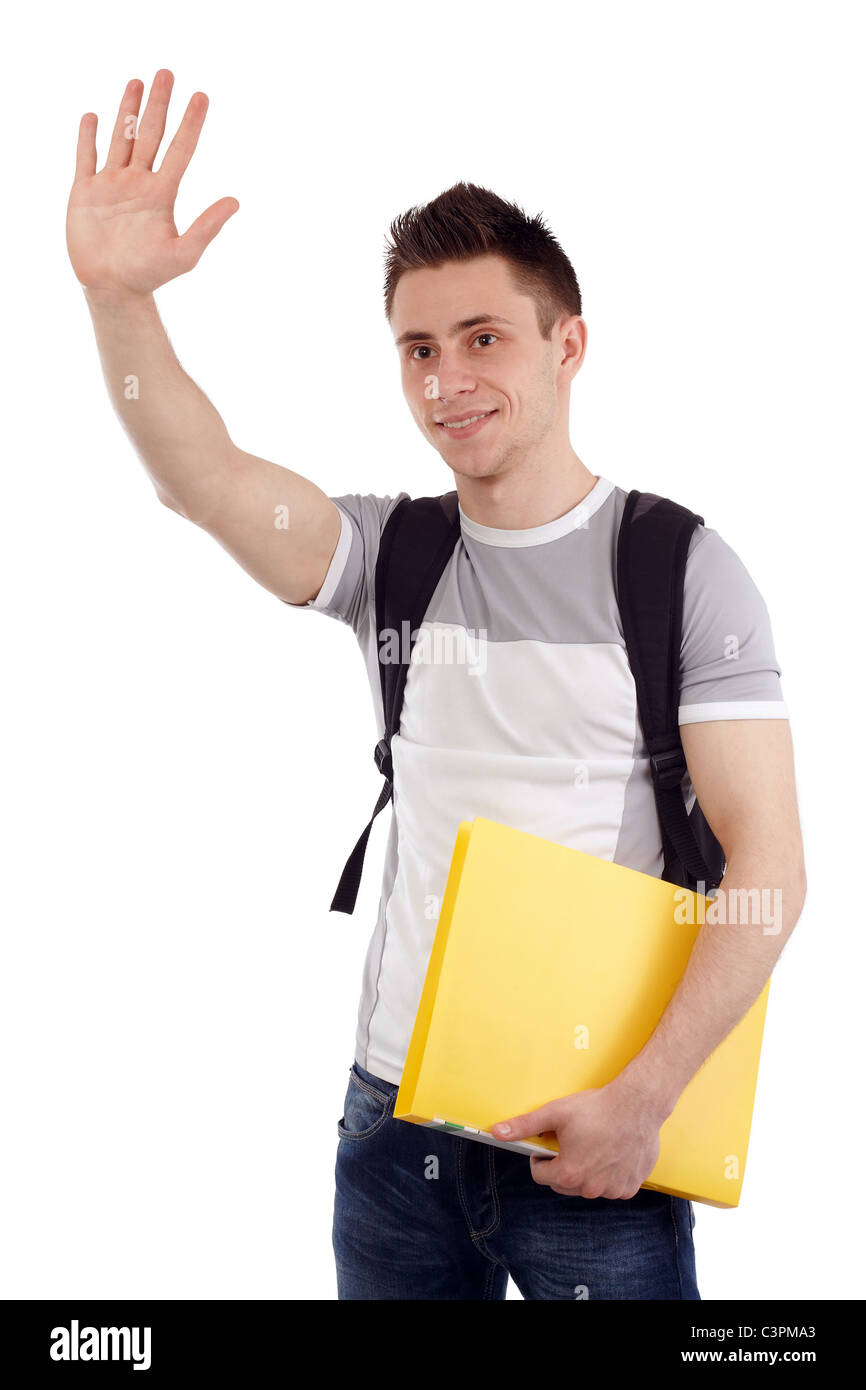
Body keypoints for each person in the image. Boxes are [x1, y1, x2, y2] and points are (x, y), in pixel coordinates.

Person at [67, 70, 807, 1301]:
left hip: (591, 1135)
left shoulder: (677, 568)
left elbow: (767, 873)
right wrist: (117, 304)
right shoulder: (390, 555)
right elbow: (198, 480)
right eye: (417, 347)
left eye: (481, 339)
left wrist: (644, 1099)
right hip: (390, 1128)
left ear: (567, 345)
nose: (443, 378)